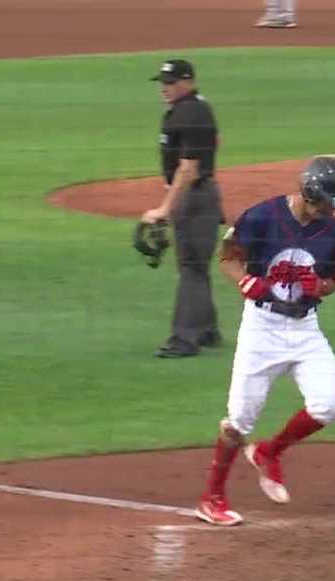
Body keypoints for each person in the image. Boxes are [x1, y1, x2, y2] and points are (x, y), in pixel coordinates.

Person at [194, 157, 335, 526]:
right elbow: (229, 258)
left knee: (328, 405)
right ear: (313, 193)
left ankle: (270, 452)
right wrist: (245, 282)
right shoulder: (263, 217)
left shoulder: (334, 233)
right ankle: (211, 497)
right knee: (239, 421)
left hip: (305, 330)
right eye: (331, 202)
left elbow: (334, 279)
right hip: (262, 329)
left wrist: (323, 287)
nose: (334, 210)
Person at [143, 59, 225, 358]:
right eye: (163, 83)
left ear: (187, 81)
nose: (165, 88)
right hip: (198, 195)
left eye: (171, 82)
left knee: (191, 267)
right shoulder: (191, 109)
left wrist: (165, 208)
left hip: (195, 196)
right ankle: (206, 329)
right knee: (195, 266)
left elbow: (189, 168)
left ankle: (184, 338)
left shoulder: (191, 112)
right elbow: (216, 141)